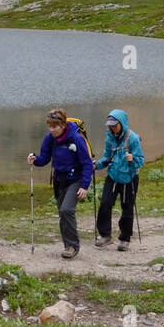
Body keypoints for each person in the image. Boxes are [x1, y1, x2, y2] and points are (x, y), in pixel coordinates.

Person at [28, 109, 93, 259]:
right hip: (59, 181)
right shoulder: (49, 138)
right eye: (49, 126)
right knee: (63, 214)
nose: (51, 130)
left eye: (54, 126)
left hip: (75, 180)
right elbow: (44, 158)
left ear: (63, 125)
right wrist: (35, 159)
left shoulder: (76, 139)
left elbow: (87, 163)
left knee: (66, 210)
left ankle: (72, 246)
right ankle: (67, 245)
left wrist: (84, 186)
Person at [94, 109, 145, 251]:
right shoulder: (109, 138)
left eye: (115, 125)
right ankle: (105, 236)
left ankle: (125, 239)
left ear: (122, 123)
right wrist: (96, 165)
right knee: (105, 204)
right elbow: (106, 157)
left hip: (129, 178)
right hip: (113, 176)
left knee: (127, 208)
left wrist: (132, 159)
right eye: (110, 125)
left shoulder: (133, 138)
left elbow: (140, 160)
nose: (112, 127)